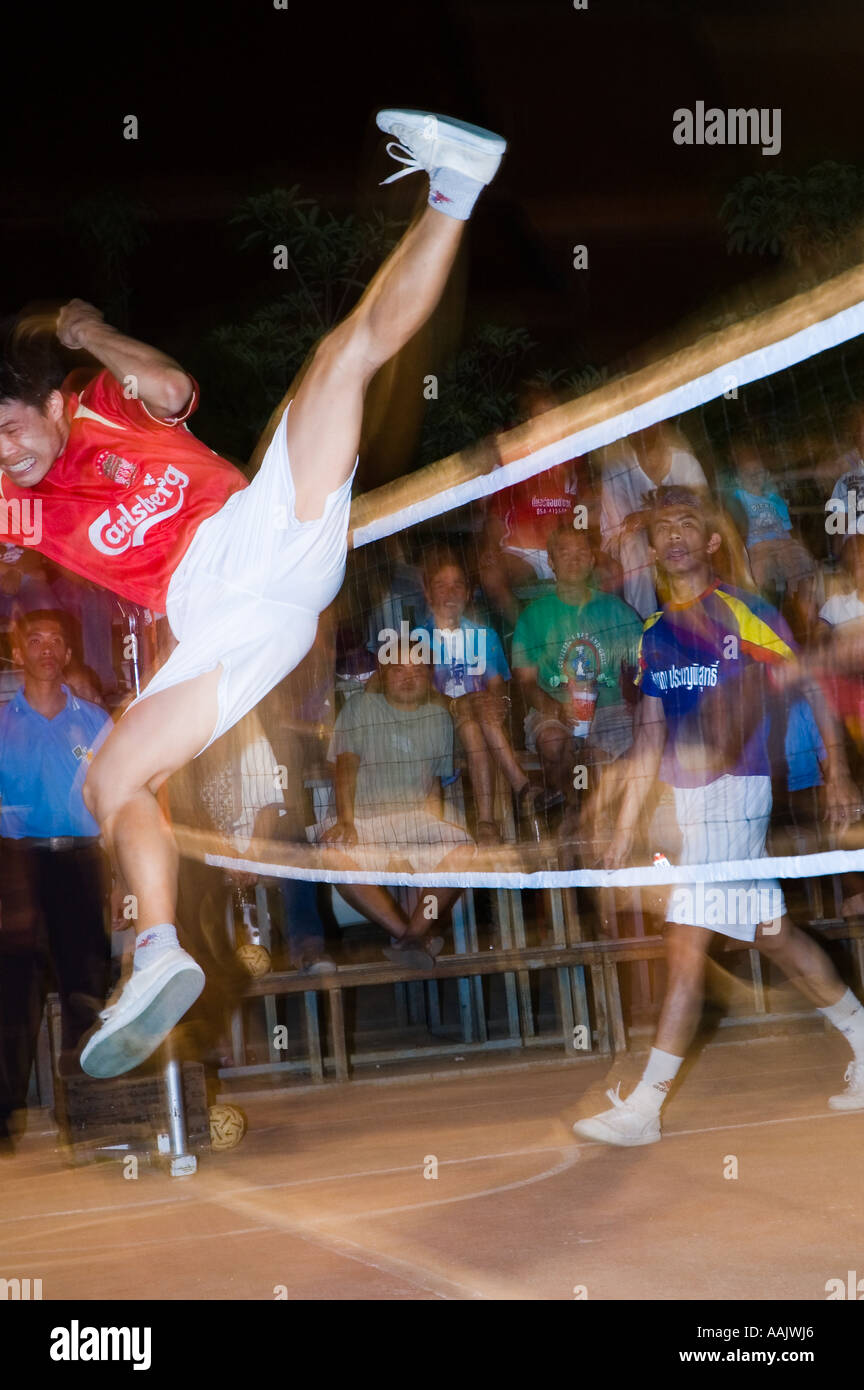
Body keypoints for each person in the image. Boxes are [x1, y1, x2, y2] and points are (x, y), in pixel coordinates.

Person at [0, 108, 507, 1077]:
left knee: (341, 357)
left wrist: (83, 328)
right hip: (221, 622)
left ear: (52, 402)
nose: (6, 457)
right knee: (109, 779)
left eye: (10, 431)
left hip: (260, 532)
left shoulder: (105, 403)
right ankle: (155, 953)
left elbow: (173, 382)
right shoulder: (16, 506)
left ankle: (456, 187)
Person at [573, 485, 864, 1147]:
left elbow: (810, 683)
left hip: (736, 791)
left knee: (685, 948)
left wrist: (838, 769)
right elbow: (649, 739)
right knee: (772, 932)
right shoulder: (651, 638)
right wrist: (622, 826)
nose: (673, 536)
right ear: (649, 549)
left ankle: (645, 1108)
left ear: (709, 542)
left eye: (686, 525)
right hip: (688, 803)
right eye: (661, 528)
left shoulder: (745, 612)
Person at [0, 610, 111, 1150]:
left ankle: (84, 1115)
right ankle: (3, 1120)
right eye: (35, 640)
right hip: (16, 865)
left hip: (83, 864)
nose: (47, 649)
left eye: (57, 641)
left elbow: (118, 800)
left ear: (68, 654)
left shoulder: (95, 723)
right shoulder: (1, 724)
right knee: (9, 993)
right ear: (17, 653)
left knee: (86, 988)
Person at [316, 653, 475, 970]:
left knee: (463, 850)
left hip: (415, 821)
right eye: (398, 670)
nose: (408, 677)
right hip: (362, 819)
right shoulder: (360, 708)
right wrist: (346, 821)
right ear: (383, 676)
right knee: (332, 857)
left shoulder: (438, 717)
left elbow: (432, 785)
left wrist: (435, 831)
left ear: (429, 676)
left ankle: (410, 937)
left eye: (418, 670)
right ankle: (411, 936)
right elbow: (345, 768)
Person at [511, 525, 643, 838]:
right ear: (552, 561)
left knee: (634, 741)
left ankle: (612, 828)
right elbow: (526, 683)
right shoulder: (534, 615)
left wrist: (634, 698)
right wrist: (555, 708)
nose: (574, 559)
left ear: (592, 559)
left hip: (609, 709)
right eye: (564, 553)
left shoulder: (616, 610)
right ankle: (570, 812)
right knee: (555, 743)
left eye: (582, 551)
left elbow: (643, 663)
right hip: (553, 706)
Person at [418, 547, 540, 844]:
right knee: (471, 717)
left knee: (475, 725)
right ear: (428, 594)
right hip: (437, 723)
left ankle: (486, 823)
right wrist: (460, 703)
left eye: (458, 584)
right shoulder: (418, 638)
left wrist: (497, 701)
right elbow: (424, 695)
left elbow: (497, 683)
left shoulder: (483, 636)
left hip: (480, 722)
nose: (450, 592)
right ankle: (520, 785)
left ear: (469, 593)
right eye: (441, 585)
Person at [597, 421, 708, 618]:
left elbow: (703, 508)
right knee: (635, 544)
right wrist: (664, 517)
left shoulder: (684, 461)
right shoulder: (616, 466)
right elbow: (624, 525)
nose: (639, 428)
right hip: (622, 543)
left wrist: (652, 516)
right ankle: (644, 623)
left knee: (709, 533)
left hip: (673, 532)